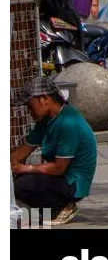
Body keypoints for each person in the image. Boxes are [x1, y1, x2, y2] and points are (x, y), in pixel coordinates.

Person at [11, 77, 98, 226]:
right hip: (59, 176)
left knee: (22, 185)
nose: (29, 111)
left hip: (72, 182)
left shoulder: (68, 123)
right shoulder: (46, 121)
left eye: (30, 106)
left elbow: (59, 168)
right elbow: (21, 152)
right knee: (15, 182)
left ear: (44, 99)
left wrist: (25, 168)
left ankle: (62, 207)